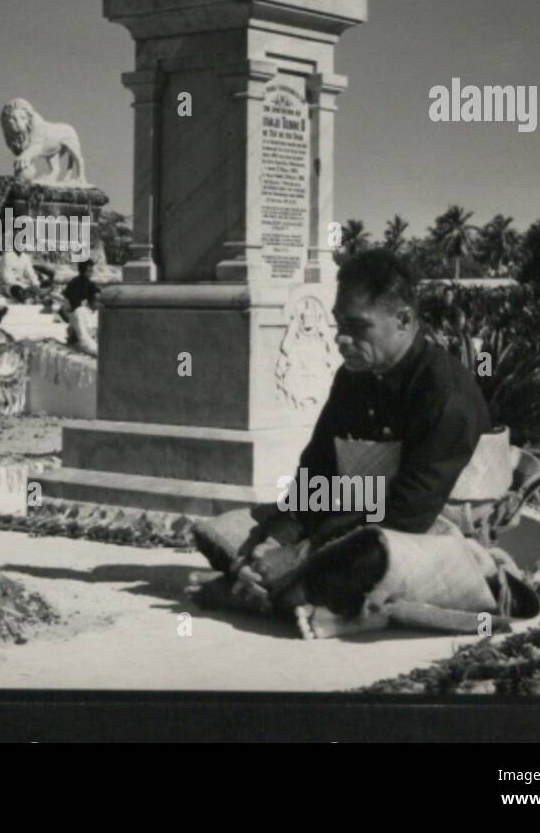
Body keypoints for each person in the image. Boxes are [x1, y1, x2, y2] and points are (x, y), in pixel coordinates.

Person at [192, 248, 495, 617]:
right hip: (345, 513)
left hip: (423, 533)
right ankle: (282, 591)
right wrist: (276, 538)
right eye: (339, 325)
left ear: (403, 320)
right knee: (219, 534)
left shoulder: (447, 395)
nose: (341, 340)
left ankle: (273, 591)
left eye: (357, 327)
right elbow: (317, 469)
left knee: (371, 556)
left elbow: (409, 513)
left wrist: (299, 554)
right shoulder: (353, 377)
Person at [68, 287, 100, 356]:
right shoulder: (80, 312)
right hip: (82, 346)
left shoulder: (99, 312)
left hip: (96, 345)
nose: (101, 303)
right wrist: (98, 350)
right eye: (98, 301)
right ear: (90, 300)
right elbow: (83, 336)